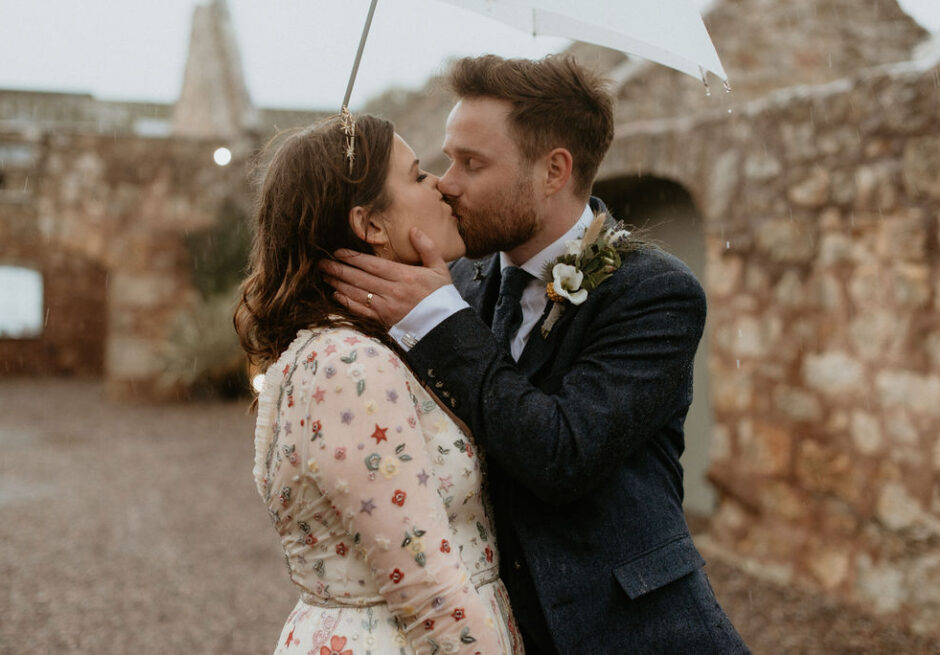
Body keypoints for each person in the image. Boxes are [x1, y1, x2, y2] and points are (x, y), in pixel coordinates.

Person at [321, 55, 749, 653]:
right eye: (447, 160)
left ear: (553, 171)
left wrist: (440, 321)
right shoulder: (461, 283)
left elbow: (562, 456)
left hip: (637, 632)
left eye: (471, 163)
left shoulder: (655, 293)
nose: (447, 182)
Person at [235, 112, 524, 655]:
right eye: (417, 176)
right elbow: (430, 596)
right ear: (370, 225)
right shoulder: (349, 367)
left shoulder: (366, 347)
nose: (440, 185)